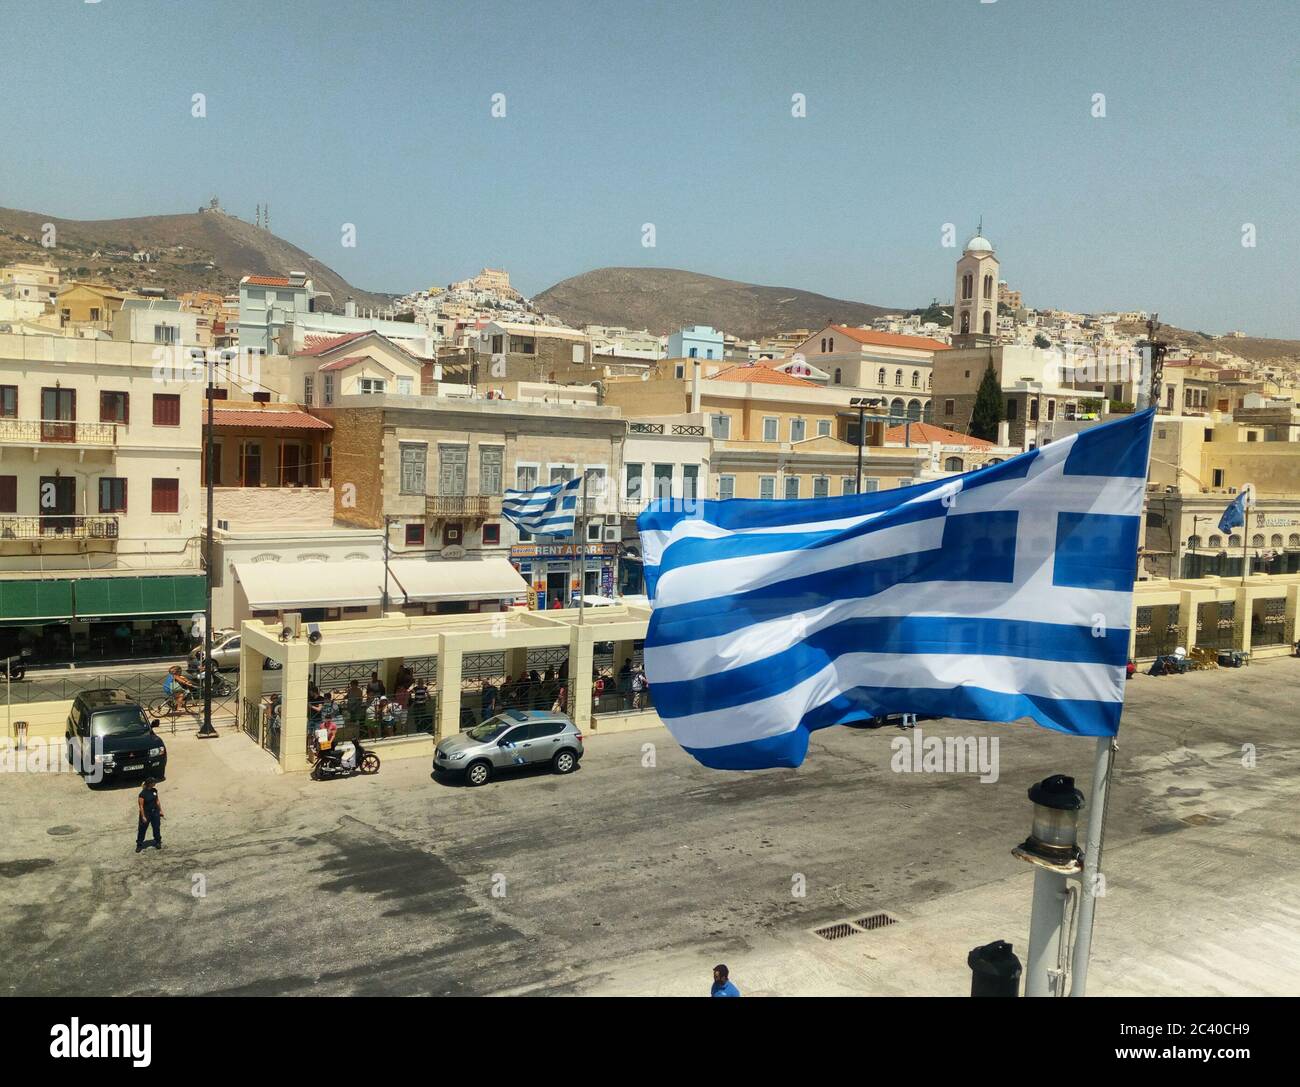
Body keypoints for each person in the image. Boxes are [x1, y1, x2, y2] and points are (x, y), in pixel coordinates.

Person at [136, 778, 163, 853]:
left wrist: (160, 810)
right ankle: (139, 844)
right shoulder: (142, 794)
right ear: (149, 783)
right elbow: (141, 806)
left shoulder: (154, 791)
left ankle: (158, 841)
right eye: (153, 782)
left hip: (155, 812)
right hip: (146, 813)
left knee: (156, 827)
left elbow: (157, 801)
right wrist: (143, 816)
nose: (155, 783)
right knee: (142, 829)